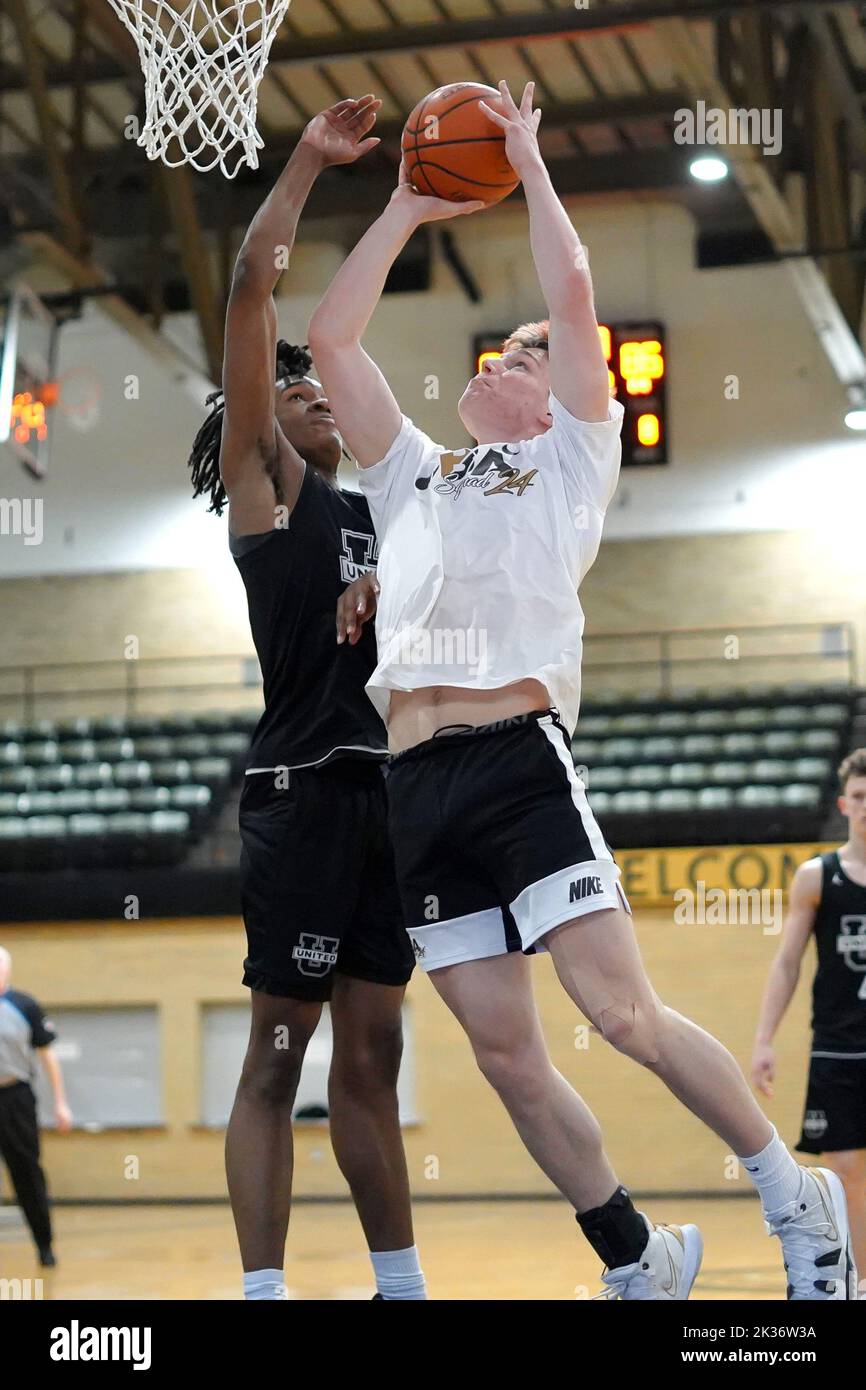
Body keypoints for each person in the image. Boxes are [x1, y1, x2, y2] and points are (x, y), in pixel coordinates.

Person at [308, 79, 857, 1300]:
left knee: (618, 1014)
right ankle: (637, 1254)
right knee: (504, 1056)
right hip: (413, 782)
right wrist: (403, 199)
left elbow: (569, 293)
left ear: (551, 389)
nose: (502, 353)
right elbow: (332, 339)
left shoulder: (566, 461)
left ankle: (789, 1190)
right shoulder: (409, 470)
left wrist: (527, 161)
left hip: (514, 757)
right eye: (501, 347)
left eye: (524, 352)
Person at [188, 98, 423, 1301]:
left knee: (373, 1060)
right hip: (302, 793)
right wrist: (308, 165)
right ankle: (264, 1293)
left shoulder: (380, 510)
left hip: (389, 795)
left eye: (314, 388)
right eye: (291, 388)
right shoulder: (270, 496)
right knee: (278, 1059)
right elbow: (248, 288)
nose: (314, 392)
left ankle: (401, 1285)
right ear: (254, 423)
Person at [753, 748, 866, 1292]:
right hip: (839, 1047)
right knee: (847, 1175)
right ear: (845, 803)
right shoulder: (817, 876)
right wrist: (764, 1040)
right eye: (861, 798)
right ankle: (858, 1281)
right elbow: (788, 963)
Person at [0, 945, 71, 1267]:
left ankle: (44, 1244)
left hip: (15, 1097)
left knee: (26, 1171)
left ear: (7, 971)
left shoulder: (23, 1005)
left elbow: (48, 1056)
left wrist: (61, 1103)